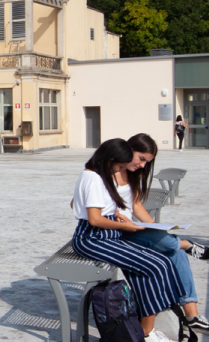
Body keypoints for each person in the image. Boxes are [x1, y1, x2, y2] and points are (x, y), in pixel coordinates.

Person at [71, 138, 187, 342]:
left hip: (106, 234)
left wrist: (114, 216)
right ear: (110, 159)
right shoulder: (92, 177)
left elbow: (82, 205)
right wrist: (124, 225)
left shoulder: (97, 176)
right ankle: (147, 332)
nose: (121, 170)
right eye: (120, 166)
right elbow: (94, 219)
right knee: (153, 266)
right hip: (92, 238)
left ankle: (148, 326)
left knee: (161, 262)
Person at [122, 133, 209, 336]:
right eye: (141, 158)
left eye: (147, 162)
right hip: (117, 232)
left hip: (130, 227)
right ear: (128, 150)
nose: (143, 165)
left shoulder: (132, 173)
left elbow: (135, 205)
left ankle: (192, 316)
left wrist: (153, 226)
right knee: (172, 246)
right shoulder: (110, 171)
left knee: (174, 252)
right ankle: (186, 244)